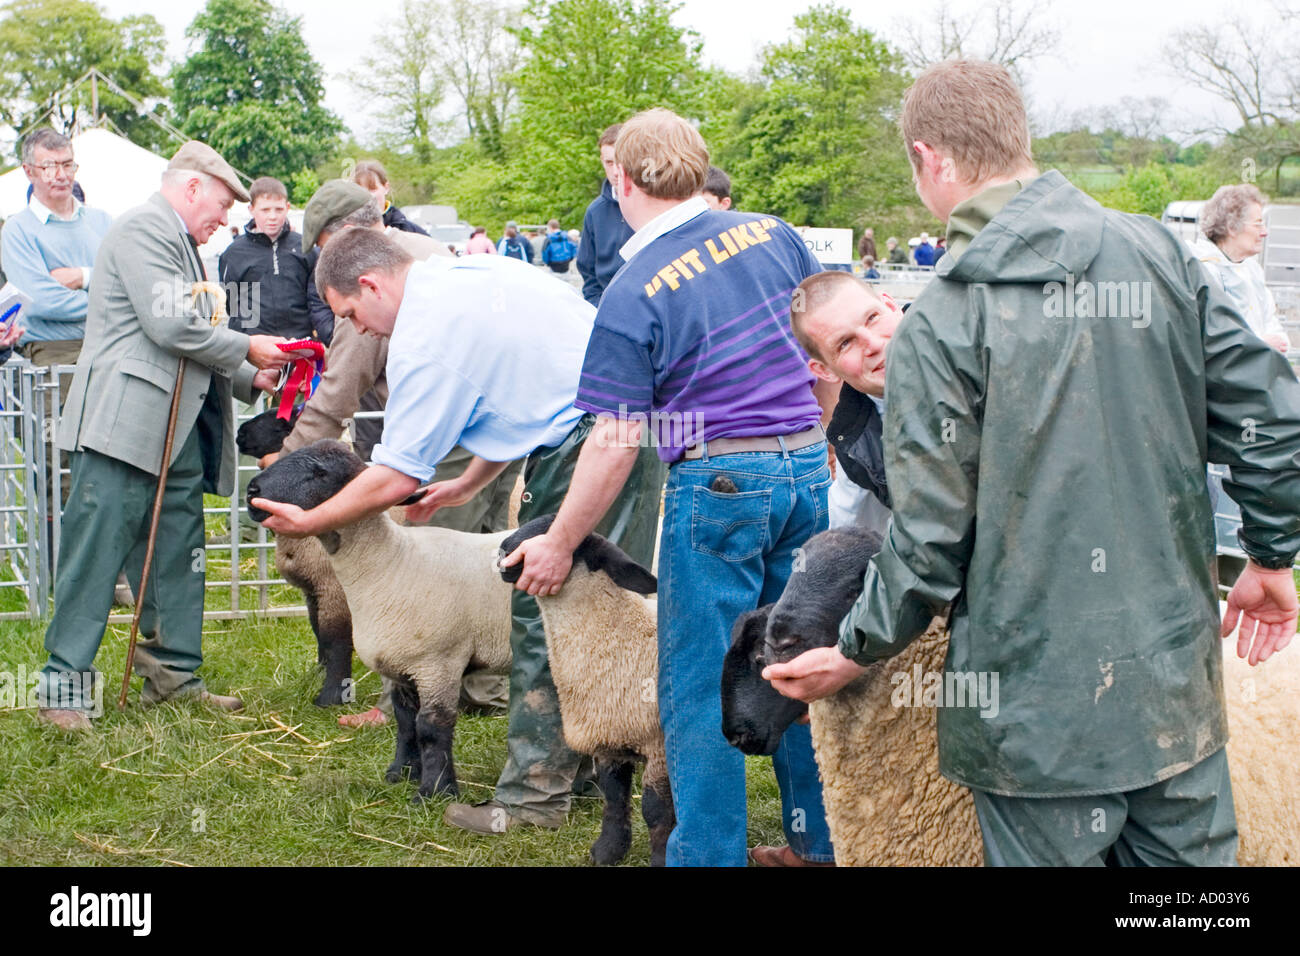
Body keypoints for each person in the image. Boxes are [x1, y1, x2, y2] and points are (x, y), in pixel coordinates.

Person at [764, 59, 1300, 867]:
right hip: (1170, 690)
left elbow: (931, 532)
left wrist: (857, 647)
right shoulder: (1159, 253)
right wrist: (1270, 556)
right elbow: (1272, 413)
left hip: (1036, 719)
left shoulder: (942, 321)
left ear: (929, 158)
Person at [501, 108, 835, 868]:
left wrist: (558, 542)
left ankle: (706, 855)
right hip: (802, 468)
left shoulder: (632, 289)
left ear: (619, 178)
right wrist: (814, 441)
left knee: (696, 681)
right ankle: (821, 844)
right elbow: (826, 350)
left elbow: (615, 438)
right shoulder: (774, 235)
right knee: (802, 661)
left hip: (718, 484)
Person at [252, 228, 664, 831]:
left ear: (371, 284)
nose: (359, 330)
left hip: (591, 449)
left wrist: (310, 521)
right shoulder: (473, 274)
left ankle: (530, 801)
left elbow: (392, 477)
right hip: (630, 433)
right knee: (593, 614)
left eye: (350, 314)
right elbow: (524, 392)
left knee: (537, 614)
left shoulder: (423, 336)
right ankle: (587, 773)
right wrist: (469, 485)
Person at [35, 141, 307, 732]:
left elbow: (199, 328)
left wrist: (247, 373)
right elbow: (170, 325)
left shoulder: (181, 241)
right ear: (190, 188)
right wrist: (250, 347)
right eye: (221, 202)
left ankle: (174, 679)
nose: (226, 217)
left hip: (175, 431)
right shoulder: (142, 231)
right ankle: (62, 691)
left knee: (180, 558)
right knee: (95, 555)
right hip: (123, 429)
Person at [282, 179, 519, 726]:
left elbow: (338, 388)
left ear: (345, 235)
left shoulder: (377, 287)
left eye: (323, 248)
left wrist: (292, 464)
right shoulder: (432, 253)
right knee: (487, 559)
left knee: (427, 575)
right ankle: (481, 689)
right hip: (497, 433)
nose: (325, 265)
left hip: (448, 435)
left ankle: (403, 702)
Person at [791, 271, 902, 533]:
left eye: (873, 318)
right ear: (824, 371)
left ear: (891, 305)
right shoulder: (854, 445)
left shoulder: (974, 350)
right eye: (844, 344)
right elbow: (847, 532)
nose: (873, 343)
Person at [1, 128, 112, 383]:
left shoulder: (103, 221)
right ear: (29, 172)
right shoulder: (18, 230)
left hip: (110, 347)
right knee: (58, 424)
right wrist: (110, 299)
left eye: (67, 165)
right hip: (53, 354)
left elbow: (131, 279)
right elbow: (40, 300)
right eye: (49, 167)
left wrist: (83, 277)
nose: (61, 175)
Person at [218, 176, 325, 342]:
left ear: (288, 207)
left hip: (301, 343)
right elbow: (231, 305)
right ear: (251, 209)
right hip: (256, 347)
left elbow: (317, 299)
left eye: (279, 209)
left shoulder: (305, 247)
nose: (273, 216)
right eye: (265, 210)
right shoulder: (234, 254)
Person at [1192, 184, 1288, 353]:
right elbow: (1212, 338)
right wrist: (1259, 344)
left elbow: (1271, 322)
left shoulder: (1252, 269)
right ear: (1231, 227)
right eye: (1258, 224)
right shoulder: (1205, 272)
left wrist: (1276, 343)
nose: (1264, 232)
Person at [575, 124, 634, 306]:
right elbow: (588, 272)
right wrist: (598, 308)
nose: (616, 171)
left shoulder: (654, 205)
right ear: (602, 161)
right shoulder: (595, 212)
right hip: (607, 312)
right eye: (609, 163)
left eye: (621, 162)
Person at [350, 159, 429, 237]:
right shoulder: (345, 231)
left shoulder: (410, 232)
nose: (367, 195)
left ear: (386, 187)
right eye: (360, 190)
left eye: (372, 189)